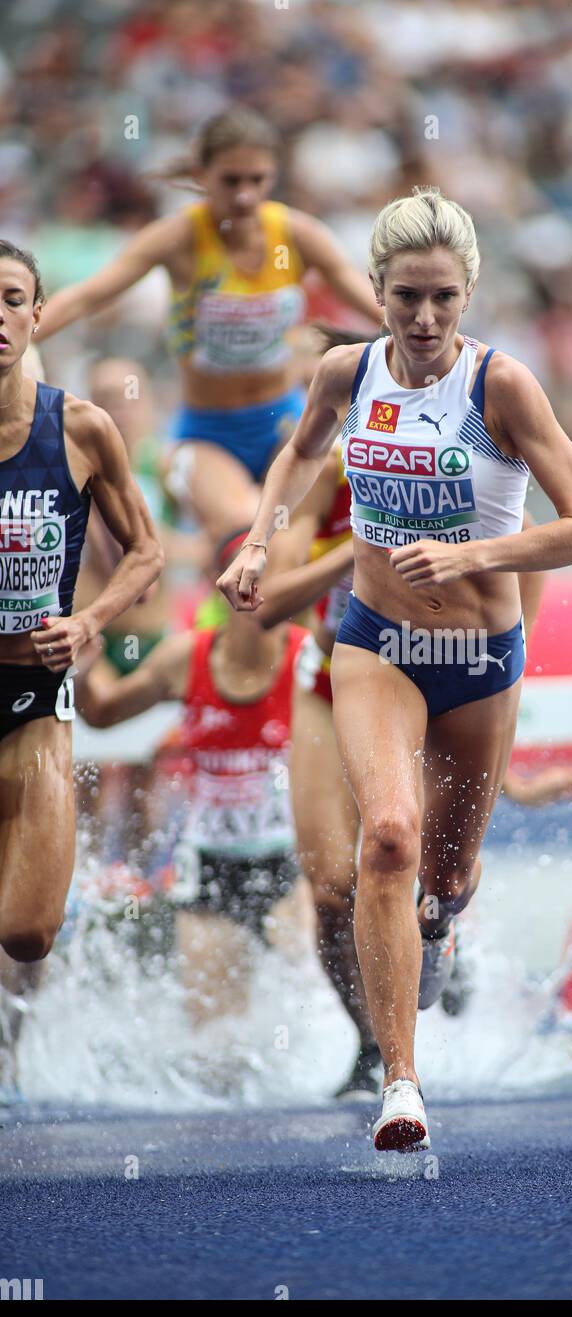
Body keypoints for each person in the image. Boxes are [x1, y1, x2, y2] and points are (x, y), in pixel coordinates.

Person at [217, 188, 572, 1150]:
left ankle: (438, 926)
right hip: (376, 643)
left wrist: (475, 554)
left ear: (468, 290)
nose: (424, 320)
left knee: (450, 870)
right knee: (385, 840)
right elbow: (298, 460)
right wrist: (259, 545)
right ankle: (402, 1083)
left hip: (478, 657)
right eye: (404, 299)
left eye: (441, 297)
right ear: (377, 294)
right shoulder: (346, 374)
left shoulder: (501, 387)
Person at [34, 106, 383, 548]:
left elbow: (374, 304)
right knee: (241, 533)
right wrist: (20, 334)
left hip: (284, 418)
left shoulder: (296, 235)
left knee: (295, 538)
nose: (244, 196)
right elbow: (87, 296)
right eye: (231, 180)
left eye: (257, 180)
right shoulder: (178, 238)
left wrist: (445, 345)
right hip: (209, 431)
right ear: (202, 174)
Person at [0, 241, 163, 1082]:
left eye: (10, 298)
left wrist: (90, 620)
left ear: (36, 314)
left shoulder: (80, 427)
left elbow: (145, 552)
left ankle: (19, 1034)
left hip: (32, 695)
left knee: (27, 929)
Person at [74, 533, 308, 1033]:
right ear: (216, 588)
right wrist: (85, 665)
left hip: (292, 866)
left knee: (309, 1018)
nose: (252, 593)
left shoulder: (309, 660)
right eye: (239, 582)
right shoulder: (187, 658)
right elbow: (102, 713)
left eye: (265, 581)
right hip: (208, 868)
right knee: (214, 1045)